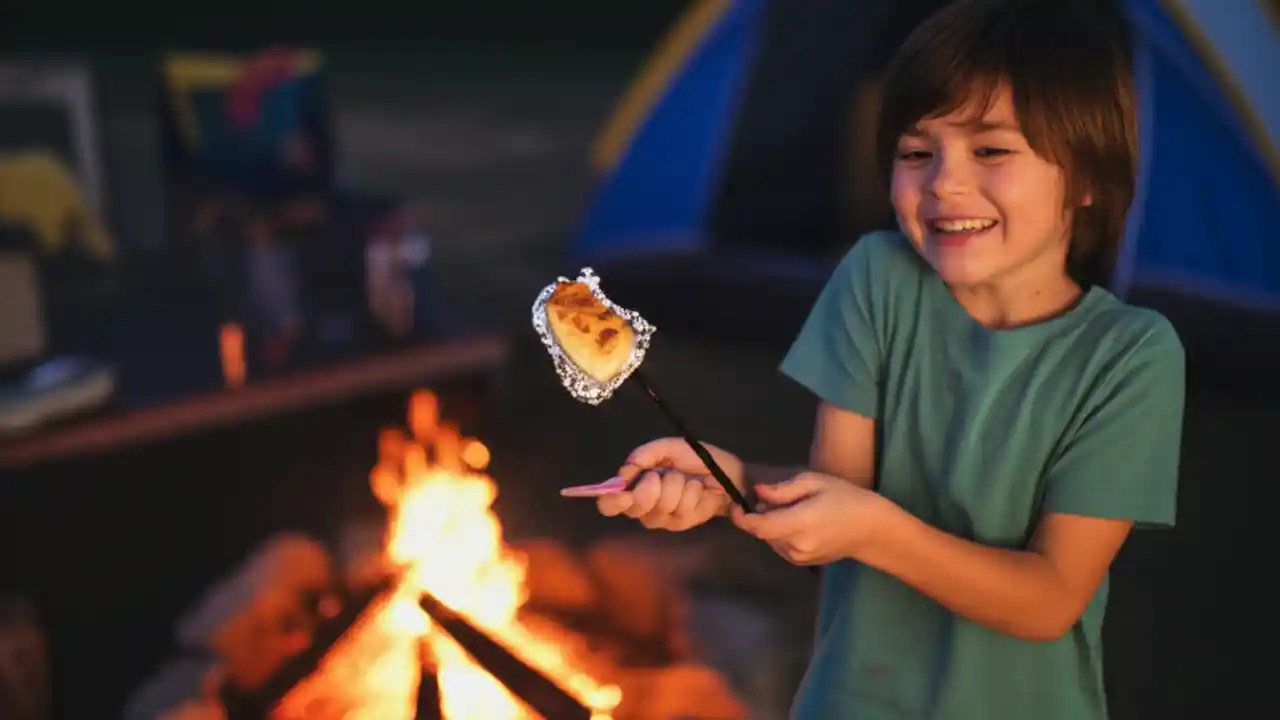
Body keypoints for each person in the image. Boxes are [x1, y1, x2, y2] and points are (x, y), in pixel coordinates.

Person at [560, 0, 1186, 717]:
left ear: (1083, 178)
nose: (944, 181)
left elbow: (1048, 599)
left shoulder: (1129, 355)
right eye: (917, 152)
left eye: (991, 149)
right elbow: (837, 499)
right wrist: (727, 484)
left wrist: (875, 529)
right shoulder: (878, 278)